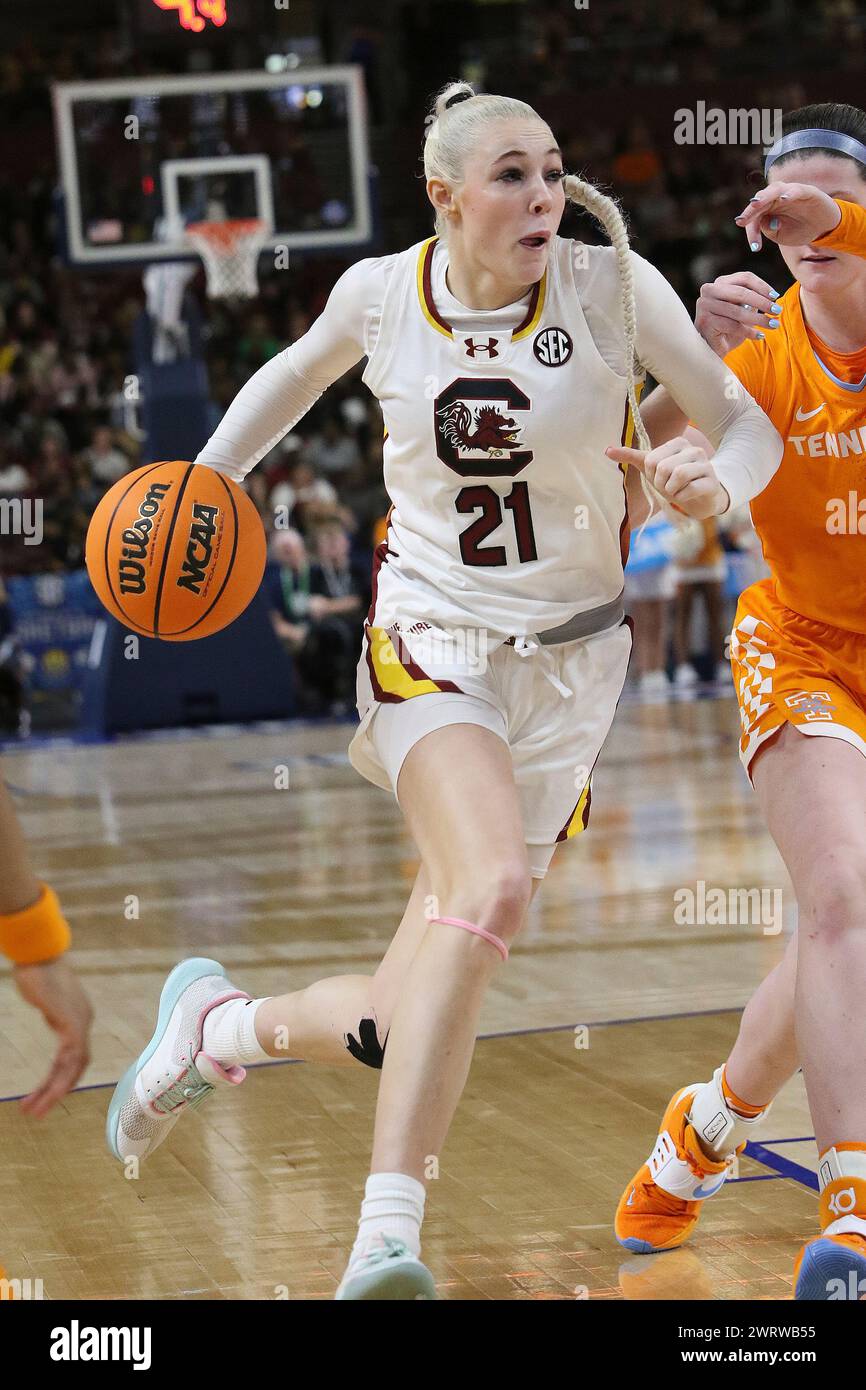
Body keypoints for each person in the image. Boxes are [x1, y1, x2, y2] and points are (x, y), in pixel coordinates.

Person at [106, 80, 781, 1301]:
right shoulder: (379, 294)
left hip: (575, 664)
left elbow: (745, 430)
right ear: (445, 198)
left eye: (553, 168)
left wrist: (708, 481)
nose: (542, 194)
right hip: (433, 637)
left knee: (390, 1020)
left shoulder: (612, 291)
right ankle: (385, 1238)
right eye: (511, 173)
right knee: (492, 885)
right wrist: (203, 481)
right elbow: (291, 376)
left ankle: (216, 1027)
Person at [614, 102, 866, 1301]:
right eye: (789, 210)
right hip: (802, 647)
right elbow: (608, 467)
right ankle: (852, 1202)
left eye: (833, 205)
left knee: (836, 944)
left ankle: (702, 1130)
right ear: (763, 230)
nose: (810, 228)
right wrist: (669, 362)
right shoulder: (746, 356)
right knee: (839, 898)